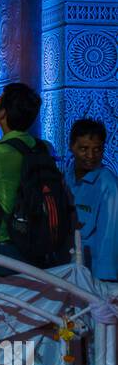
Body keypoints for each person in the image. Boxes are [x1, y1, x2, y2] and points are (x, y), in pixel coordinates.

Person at [0, 83, 72, 269]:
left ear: (2, 114)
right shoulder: (41, 147)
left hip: (3, 247)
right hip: (34, 242)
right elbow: (7, 158)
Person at [64, 119, 118, 283]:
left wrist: (104, 281)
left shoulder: (107, 184)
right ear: (71, 146)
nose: (91, 156)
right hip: (68, 267)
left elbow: (110, 236)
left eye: (97, 149)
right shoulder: (66, 176)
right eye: (84, 149)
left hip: (94, 274)